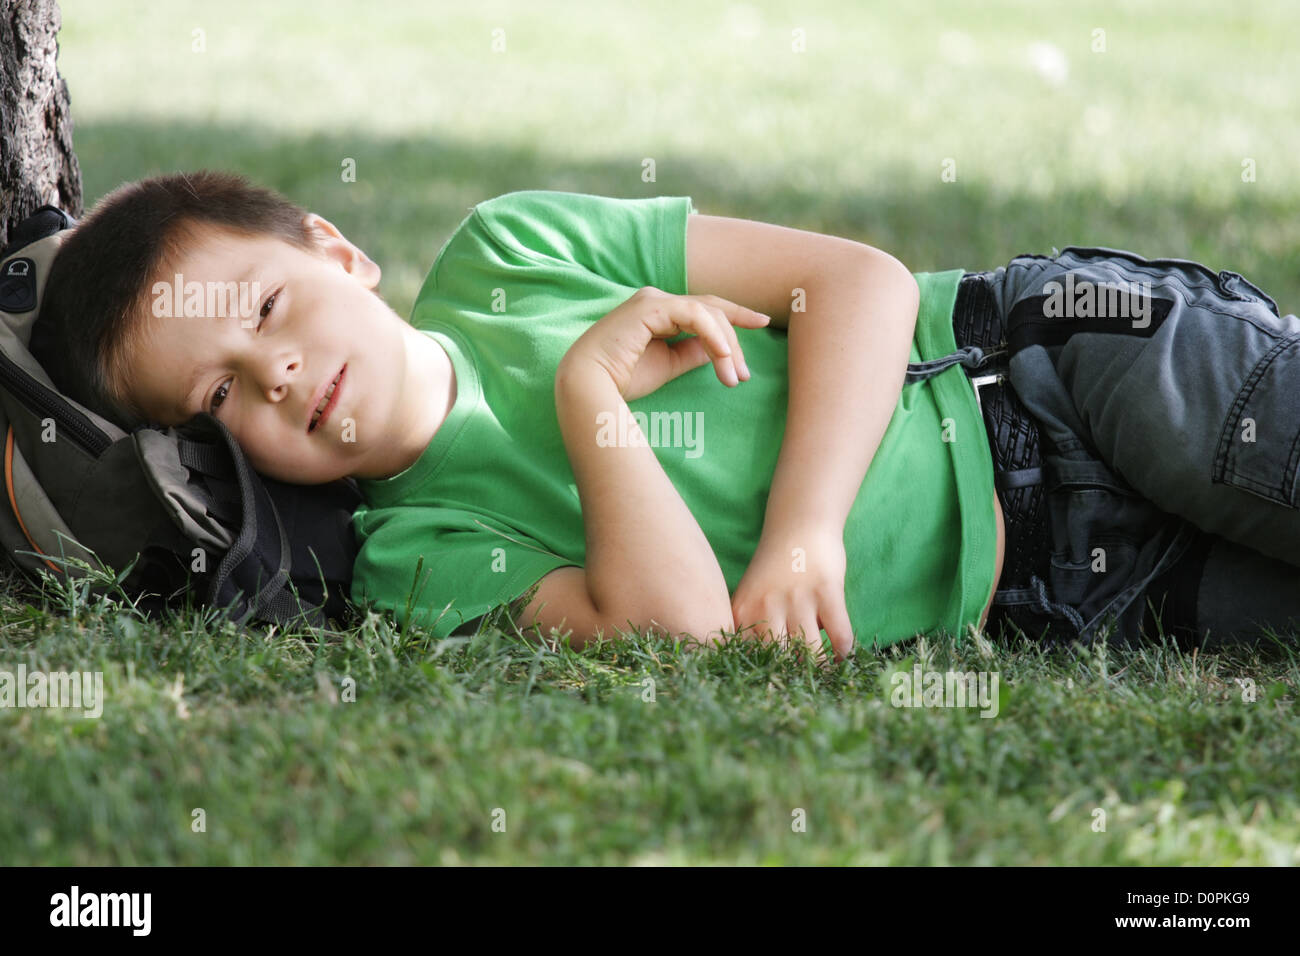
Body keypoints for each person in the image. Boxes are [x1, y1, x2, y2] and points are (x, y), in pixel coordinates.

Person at [31, 170, 1299, 667]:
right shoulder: (412, 560)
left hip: (1042, 370)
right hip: (1071, 592)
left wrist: (805, 529)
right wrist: (589, 399)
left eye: (265, 306)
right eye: (215, 397)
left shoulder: (508, 250)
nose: (277, 377)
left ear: (339, 249)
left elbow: (850, 281)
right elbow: (681, 624)